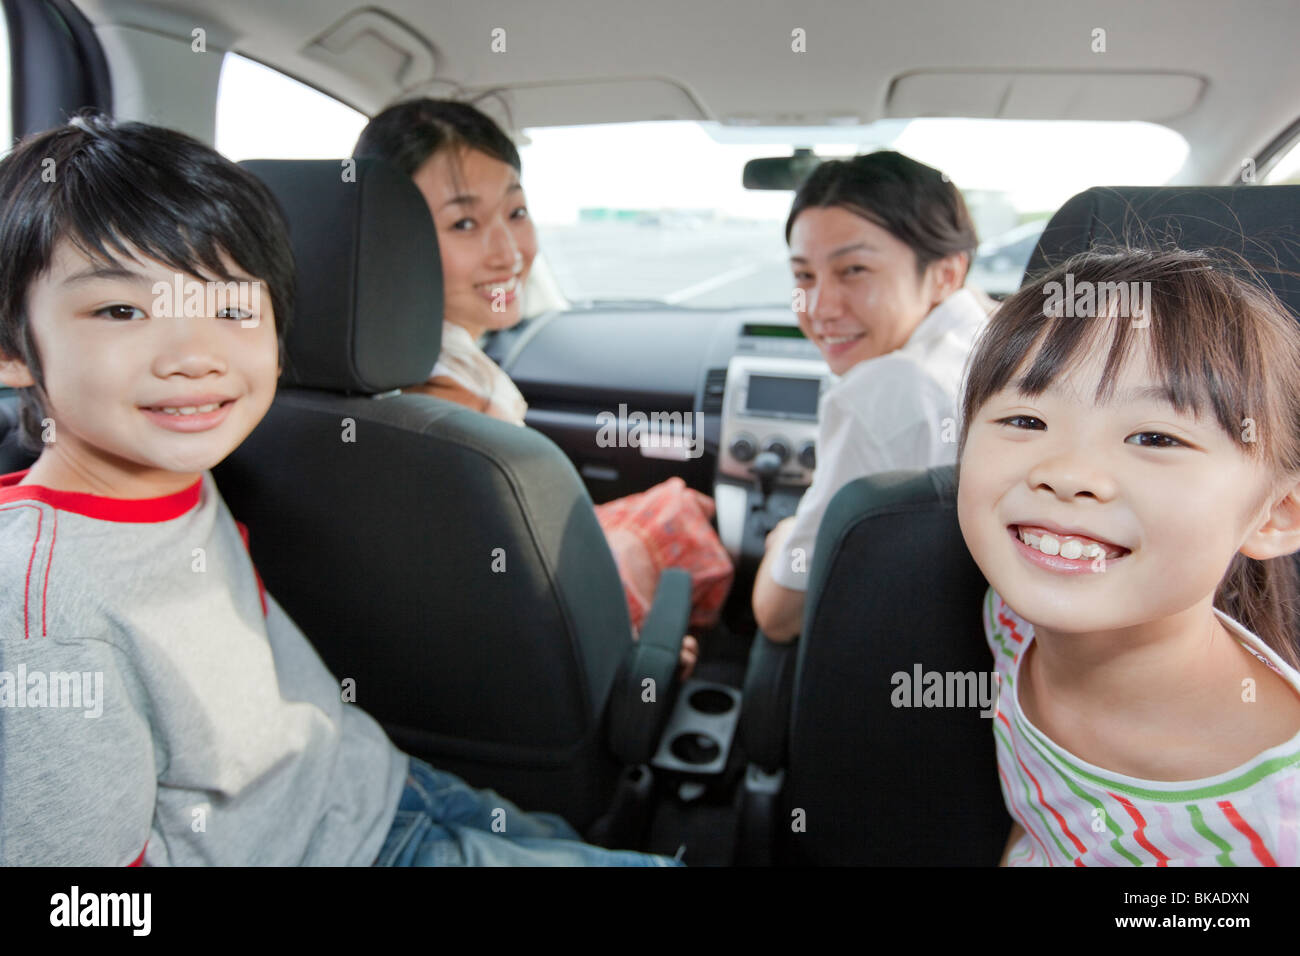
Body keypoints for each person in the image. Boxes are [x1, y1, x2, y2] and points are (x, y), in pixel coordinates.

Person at [0, 113, 679, 867]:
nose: (193, 355)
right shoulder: (39, 613)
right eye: (121, 310)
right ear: (10, 347)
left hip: (373, 779)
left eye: (230, 308)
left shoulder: (183, 471)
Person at [354, 100, 727, 671]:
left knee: (672, 503)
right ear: (390, 239)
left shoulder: (386, 365)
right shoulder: (451, 412)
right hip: (550, 646)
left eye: (517, 212)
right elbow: (514, 603)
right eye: (464, 223)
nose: (509, 254)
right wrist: (632, 645)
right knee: (679, 516)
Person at [956, 247, 1300, 866]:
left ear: (1276, 514)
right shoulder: (1009, 622)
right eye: (1027, 419)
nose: (1067, 473)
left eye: (1155, 437)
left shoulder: (1276, 825)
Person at [752, 151, 991, 641]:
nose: (819, 309)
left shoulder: (887, 390)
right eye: (804, 276)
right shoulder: (995, 334)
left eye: (854, 270)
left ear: (946, 274)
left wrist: (780, 539)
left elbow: (777, 617)